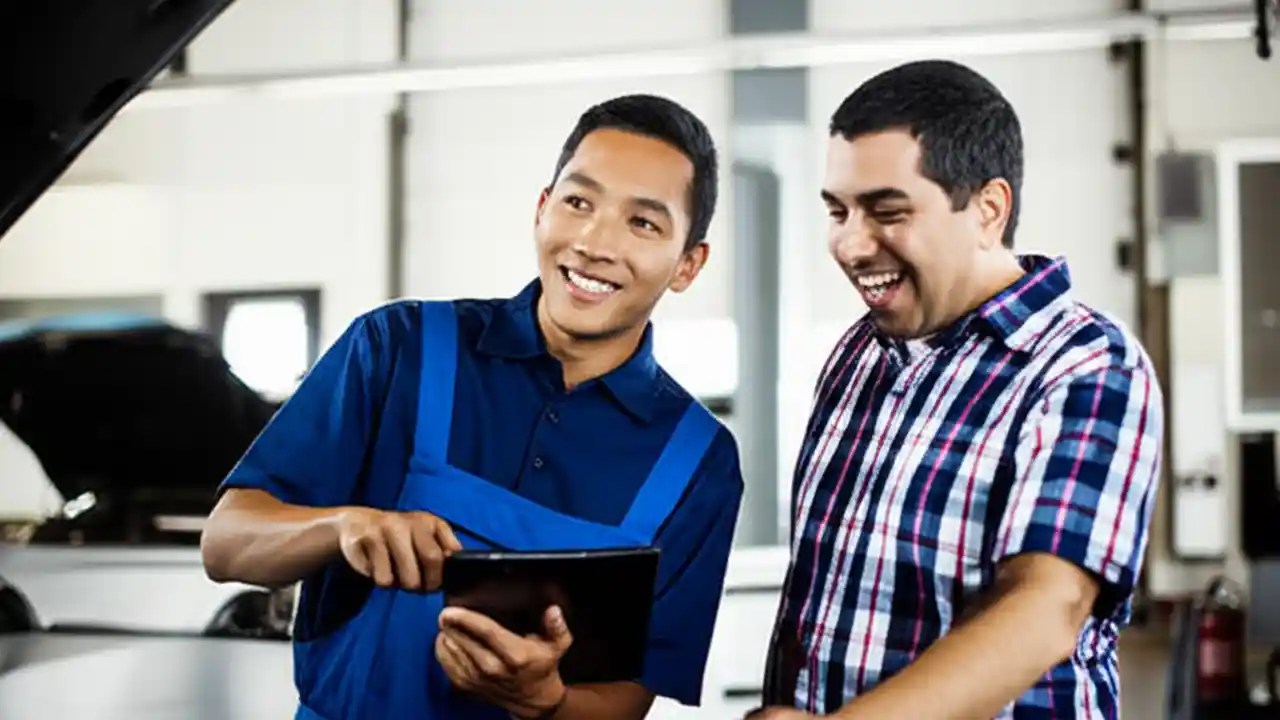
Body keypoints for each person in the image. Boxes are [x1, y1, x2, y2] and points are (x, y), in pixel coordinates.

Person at [200, 93, 744, 720]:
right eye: (579, 202)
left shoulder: (698, 461)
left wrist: (545, 702)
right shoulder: (396, 349)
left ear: (688, 264)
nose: (596, 243)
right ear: (542, 210)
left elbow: (627, 699)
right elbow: (226, 542)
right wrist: (344, 526)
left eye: (643, 223)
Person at [748, 60, 1163, 719]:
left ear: (988, 210)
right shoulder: (858, 355)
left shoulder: (1085, 365)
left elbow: (1045, 607)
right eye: (838, 212)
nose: (852, 245)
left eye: (887, 211)